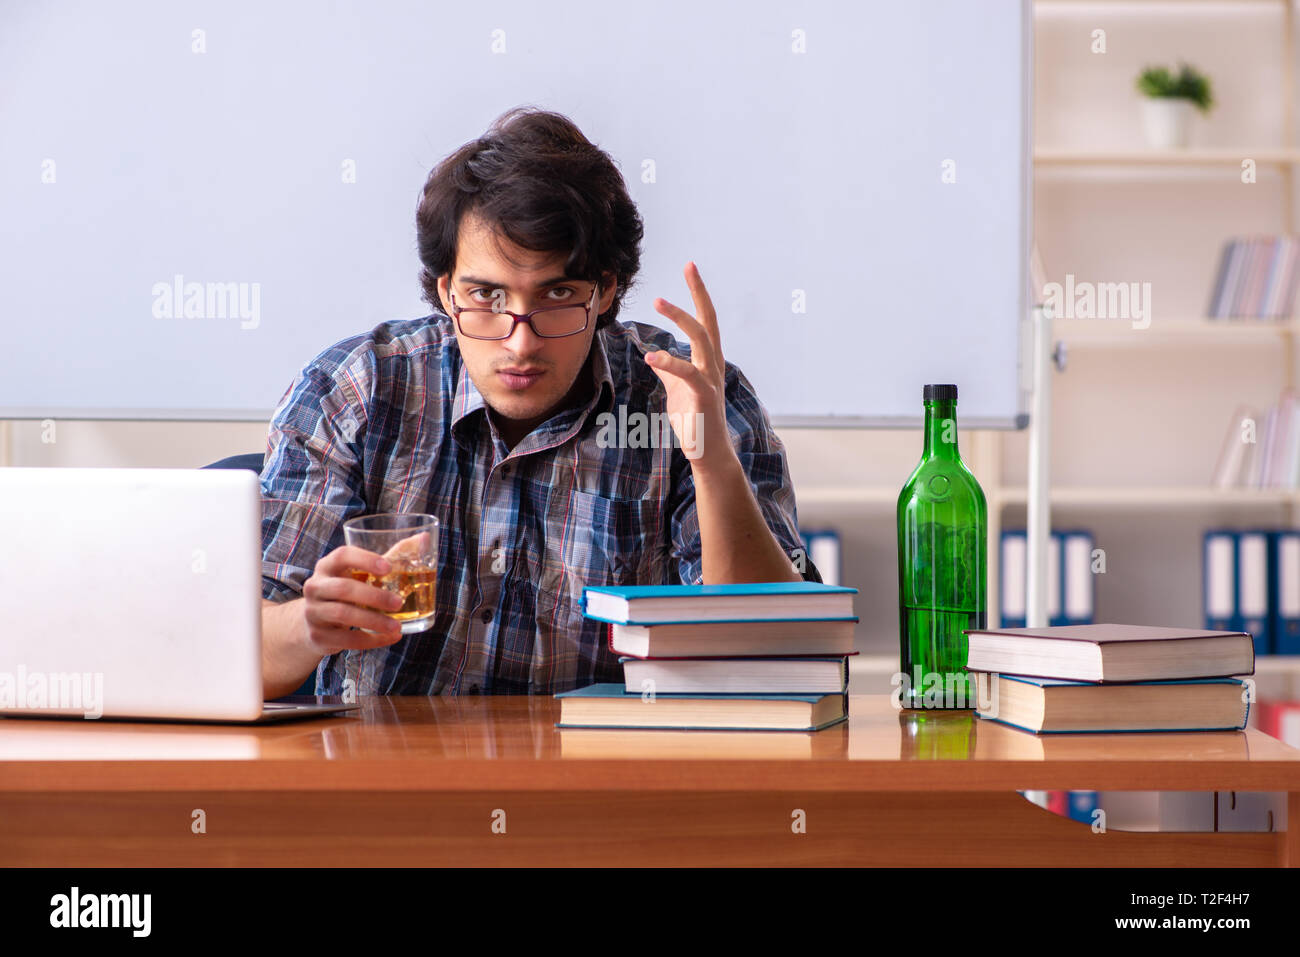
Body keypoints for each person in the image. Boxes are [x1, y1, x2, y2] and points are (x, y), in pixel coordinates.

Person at [260, 106, 819, 698]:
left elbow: (770, 652)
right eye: (486, 294)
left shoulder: (690, 393)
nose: (520, 341)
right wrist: (308, 626)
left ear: (604, 292)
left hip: (606, 776)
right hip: (388, 777)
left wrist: (712, 464)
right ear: (446, 291)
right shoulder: (356, 390)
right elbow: (239, 653)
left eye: (557, 293)